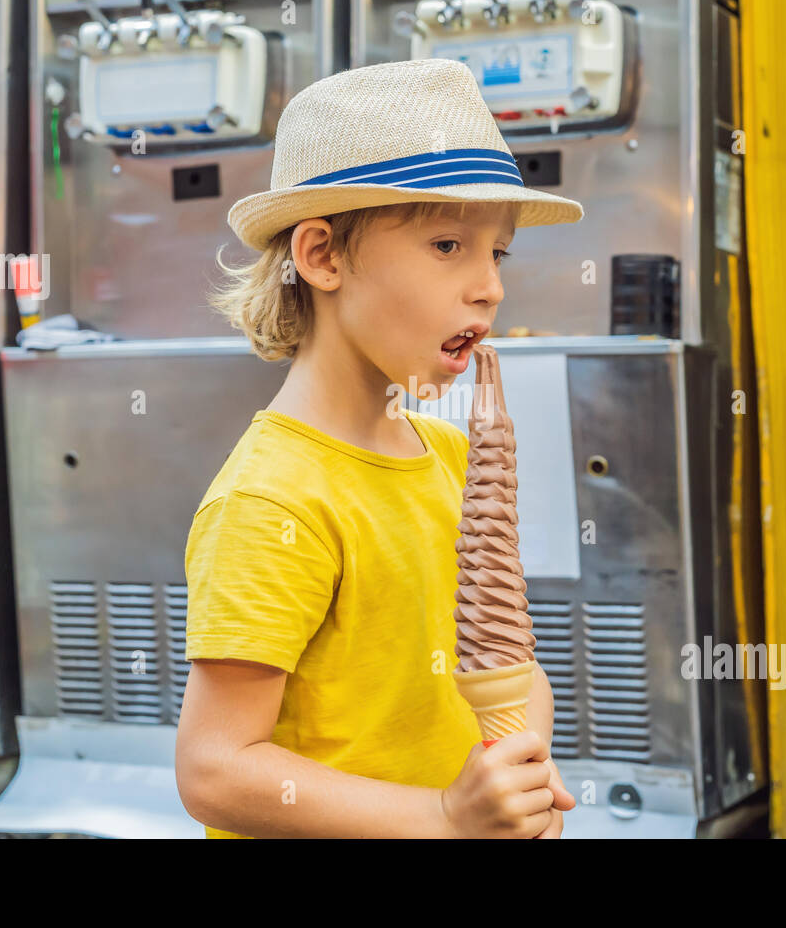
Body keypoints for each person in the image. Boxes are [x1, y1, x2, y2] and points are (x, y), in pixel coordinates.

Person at [175, 58, 583, 838]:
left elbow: (512, 660)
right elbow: (214, 768)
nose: (489, 286)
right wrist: (445, 818)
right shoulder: (274, 501)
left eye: (496, 253)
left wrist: (520, 773)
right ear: (322, 256)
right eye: (447, 246)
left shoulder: (449, 454)